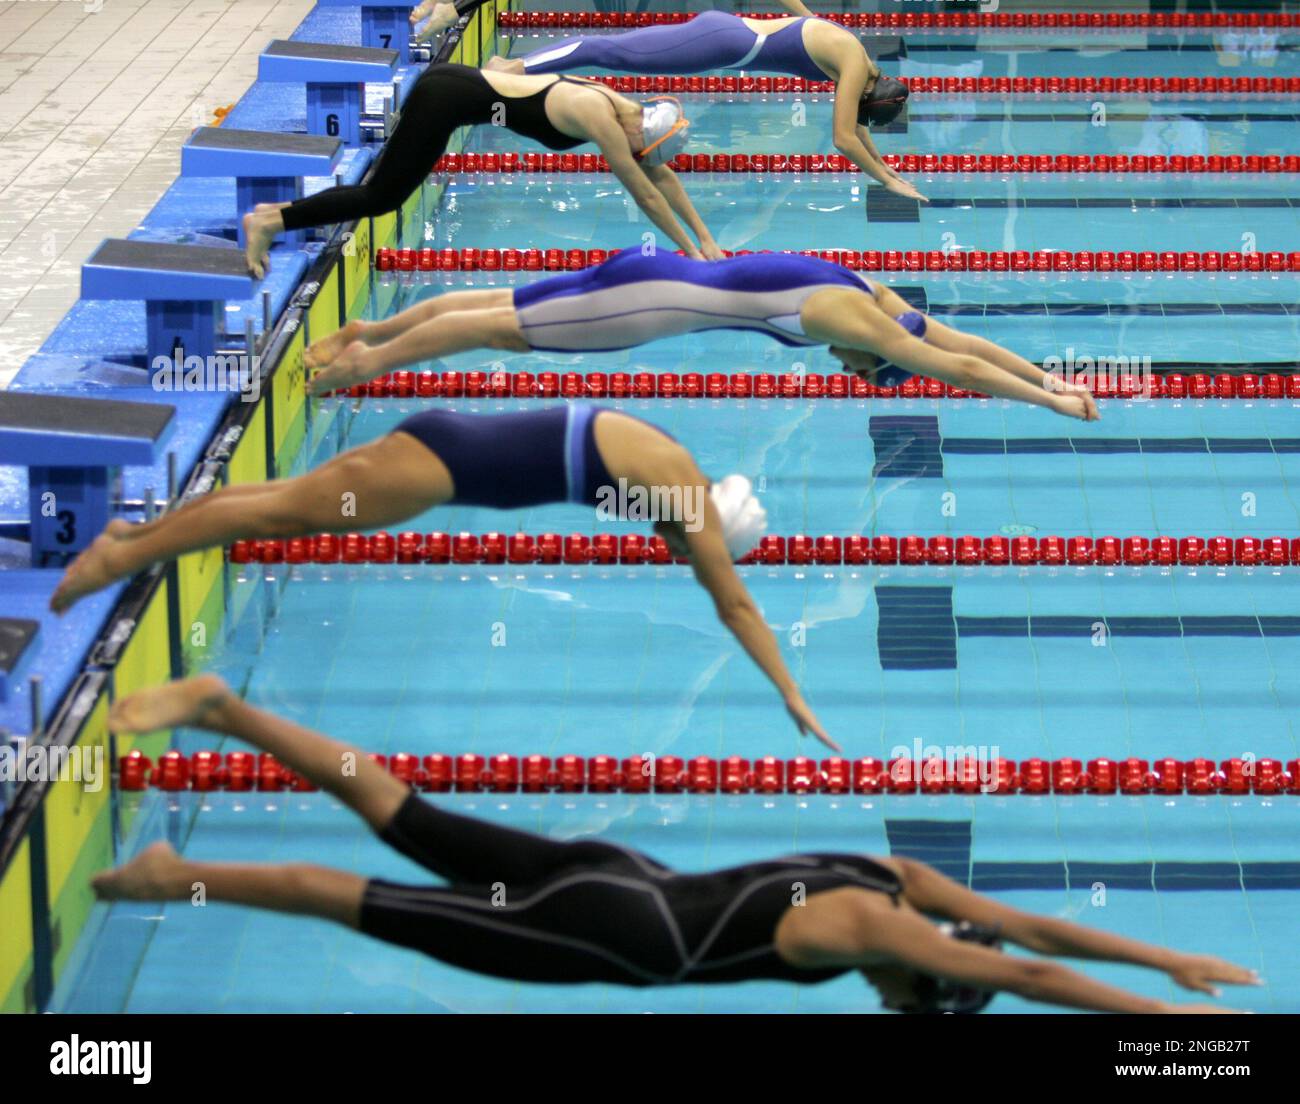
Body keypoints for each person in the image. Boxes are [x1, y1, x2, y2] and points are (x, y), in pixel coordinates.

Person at [95, 676, 1259, 1012]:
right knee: (358, 898)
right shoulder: (868, 929)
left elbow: (1025, 929)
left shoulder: (894, 878)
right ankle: (175, 876)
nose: (895, 1011)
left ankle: (225, 712)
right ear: (920, 975)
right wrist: (1170, 1032)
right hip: (610, 930)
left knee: (405, 812)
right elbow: (1021, 969)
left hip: (621, 873)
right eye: (912, 1006)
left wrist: (1166, 960)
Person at [49, 404, 834, 749]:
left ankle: (136, 536)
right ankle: (123, 554)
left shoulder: (677, 469)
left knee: (275, 506)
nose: (675, 553)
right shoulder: (686, 500)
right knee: (273, 514)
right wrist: (790, 691)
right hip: (436, 469)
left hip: (443, 450)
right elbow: (730, 603)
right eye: (689, 548)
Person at [301, 248, 1100, 423]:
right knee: (502, 332)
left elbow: (961, 339)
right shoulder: (855, 323)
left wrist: (1053, 379)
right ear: (875, 356)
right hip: (646, 304)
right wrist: (1048, 406)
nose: (852, 370)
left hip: (647, 267)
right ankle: (354, 368)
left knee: (502, 297)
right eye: (866, 372)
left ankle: (369, 329)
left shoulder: (872, 294)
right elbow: (949, 366)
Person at [241, 62, 717, 276]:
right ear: (642, 134)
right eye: (645, 151)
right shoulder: (600, 116)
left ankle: (273, 218)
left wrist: (706, 239)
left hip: (458, 84)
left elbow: (660, 177)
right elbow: (645, 193)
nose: (641, 157)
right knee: (381, 198)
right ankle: (269, 220)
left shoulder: (620, 105)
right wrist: (688, 252)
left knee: (383, 196)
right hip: (443, 100)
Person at [487, 5, 925, 202]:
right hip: (723, 43)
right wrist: (885, 183)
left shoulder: (858, 60)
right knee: (610, 53)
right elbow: (844, 137)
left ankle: (515, 68)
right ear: (868, 94)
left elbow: (857, 127)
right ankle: (512, 68)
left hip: (727, 40)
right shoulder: (851, 61)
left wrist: (887, 170)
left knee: (613, 54)